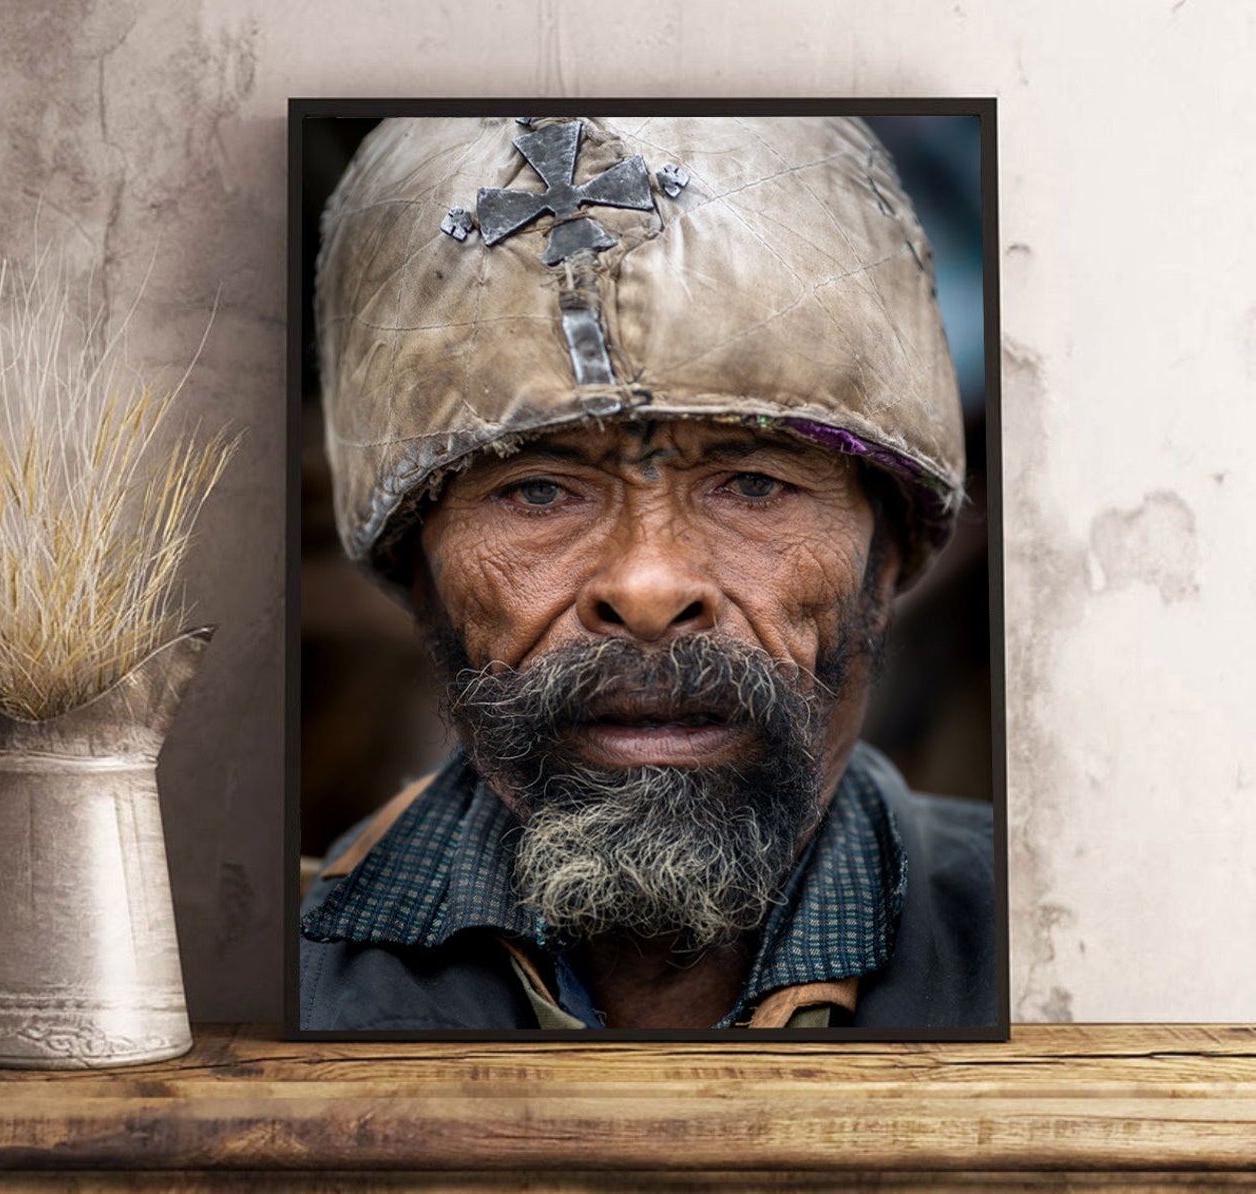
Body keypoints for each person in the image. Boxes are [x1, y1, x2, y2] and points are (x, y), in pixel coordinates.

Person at [300, 115, 995, 1031]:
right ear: (418, 572)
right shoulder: (283, 985)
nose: (648, 587)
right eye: (539, 491)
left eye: (753, 484)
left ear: (889, 554)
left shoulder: (1062, 940)